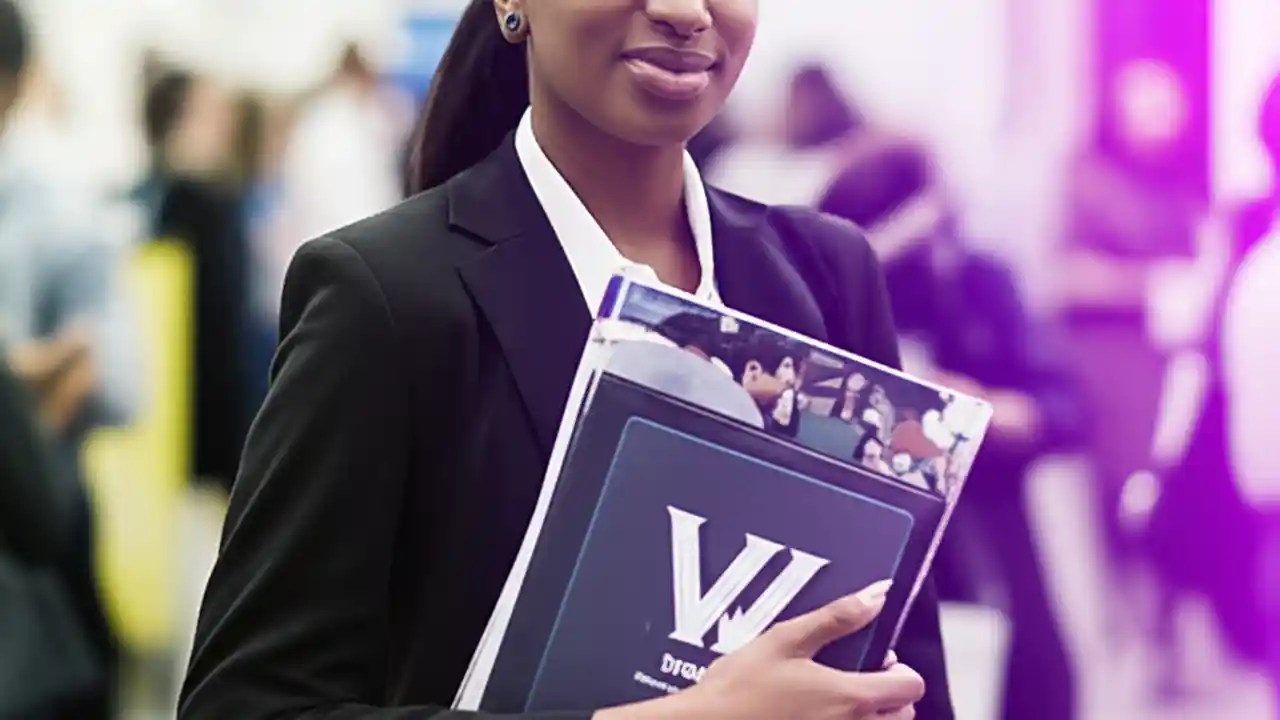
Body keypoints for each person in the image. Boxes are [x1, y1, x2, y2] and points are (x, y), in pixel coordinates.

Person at [180, 1, 951, 718]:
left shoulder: (826, 278)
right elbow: (247, 702)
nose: (685, 11)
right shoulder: (387, 298)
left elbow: (906, 670)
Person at [822, 142, 1085, 720]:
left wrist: (982, 409)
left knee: (1024, 683)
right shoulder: (830, 288)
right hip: (875, 549)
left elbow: (1062, 409)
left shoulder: (978, 284)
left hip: (990, 532)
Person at [138, 66, 252, 490]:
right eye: (213, 111)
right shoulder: (195, 206)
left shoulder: (178, 201)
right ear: (180, 118)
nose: (227, 123)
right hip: (192, 427)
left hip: (198, 431)